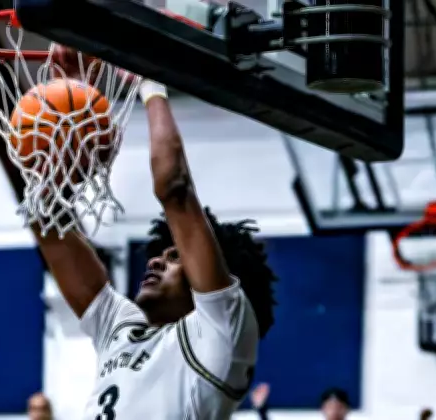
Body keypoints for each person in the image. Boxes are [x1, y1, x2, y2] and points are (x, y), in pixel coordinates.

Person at [32, 46, 277, 419]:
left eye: (175, 256)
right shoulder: (123, 328)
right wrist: (66, 107)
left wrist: (149, 82)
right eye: (161, 253)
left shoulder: (221, 332)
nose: (158, 260)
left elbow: (175, 188)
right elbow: (49, 227)